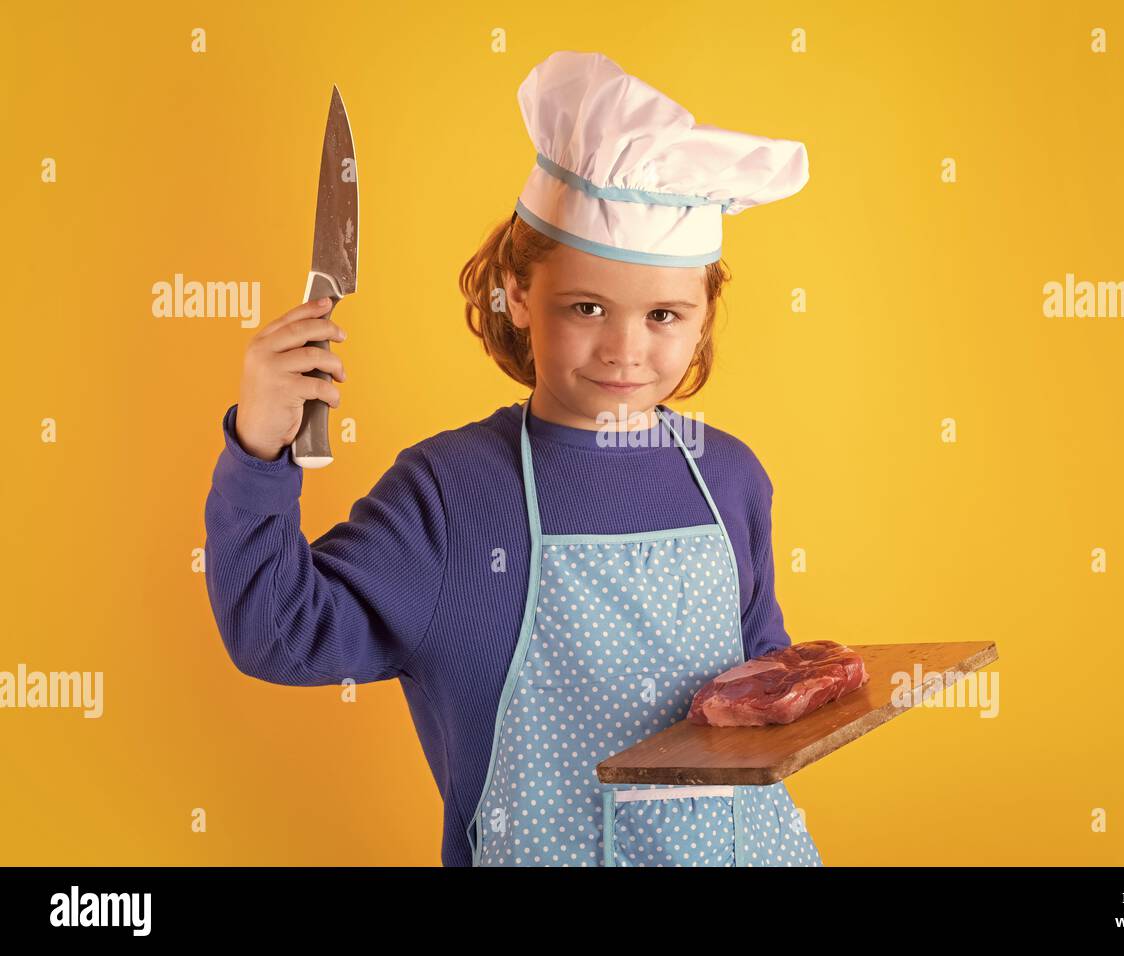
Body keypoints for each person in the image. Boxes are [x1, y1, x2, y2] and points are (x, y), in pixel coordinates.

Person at [204, 50, 817, 866]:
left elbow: (762, 673)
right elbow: (280, 636)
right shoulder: (453, 494)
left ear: (705, 316)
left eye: (665, 314)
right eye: (587, 307)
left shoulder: (730, 476)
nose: (626, 351)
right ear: (520, 296)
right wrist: (259, 450)